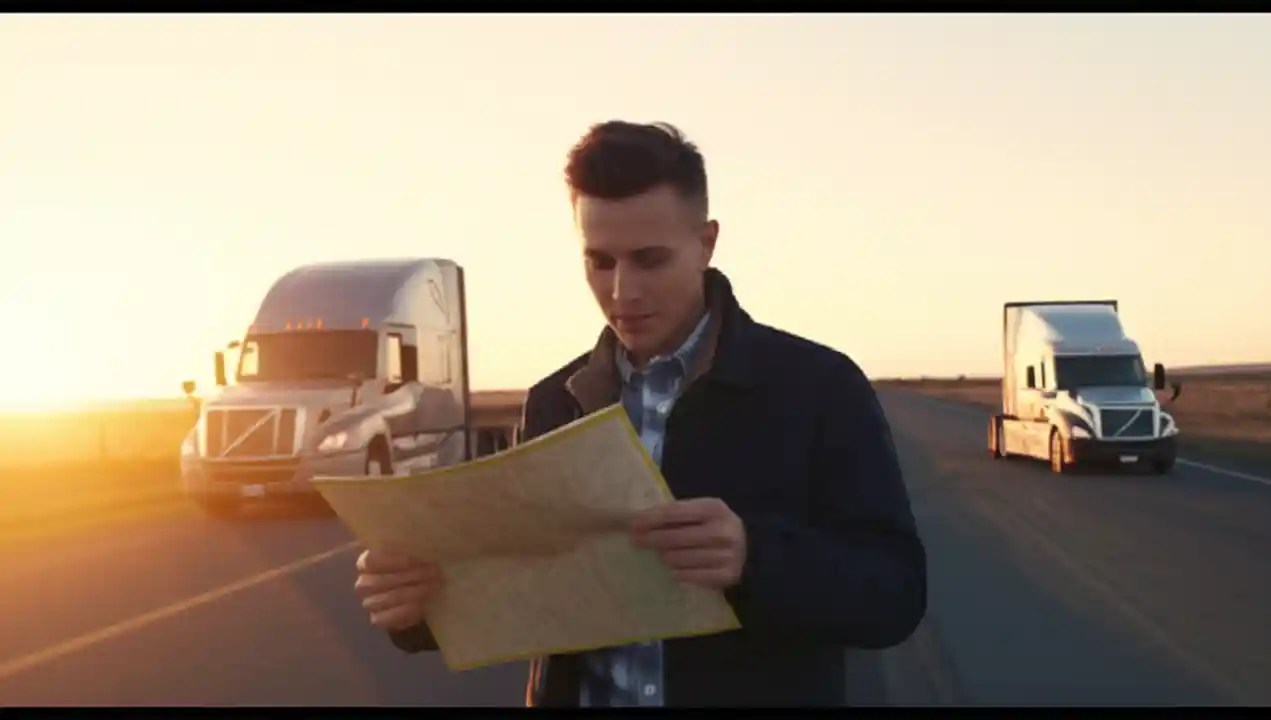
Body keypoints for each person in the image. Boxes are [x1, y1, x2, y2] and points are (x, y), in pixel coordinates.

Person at [353, 120, 927, 707]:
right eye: (600, 262)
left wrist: (754, 558)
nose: (622, 291)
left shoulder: (817, 387)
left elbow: (897, 595)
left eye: (650, 260)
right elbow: (528, 592)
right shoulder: (555, 400)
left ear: (706, 242)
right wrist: (417, 604)